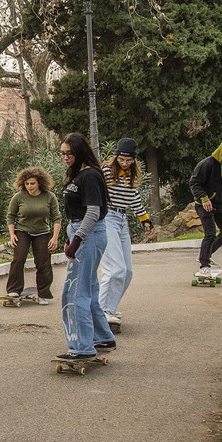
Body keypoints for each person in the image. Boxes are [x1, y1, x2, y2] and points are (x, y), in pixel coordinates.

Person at [58, 132, 116, 360]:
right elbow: (75, 210)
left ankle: (81, 347)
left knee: (75, 292)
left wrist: (77, 239)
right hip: (80, 231)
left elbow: (93, 212)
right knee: (89, 287)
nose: (65, 157)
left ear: (80, 152)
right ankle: (103, 336)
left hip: (89, 234)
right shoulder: (78, 174)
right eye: (62, 154)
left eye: (69, 153)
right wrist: (70, 236)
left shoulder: (90, 175)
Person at [99, 137, 155, 326]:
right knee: (115, 268)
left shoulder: (132, 175)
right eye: (122, 159)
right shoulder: (106, 171)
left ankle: (110, 308)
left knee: (128, 271)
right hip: (107, 218)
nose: (124, 163)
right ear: (116, 157)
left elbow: (134, 198)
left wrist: (145, 219)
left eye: (129, 160)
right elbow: (94, 189)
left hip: (122, 220)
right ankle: (101, 311)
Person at [4, 166, 62, 305]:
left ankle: (43, 293)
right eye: (27, 183)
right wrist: (12, 235)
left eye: (32, 183)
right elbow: (10, 216)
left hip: (42, 232)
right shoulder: (19, 197)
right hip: (22, 231)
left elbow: (56, 218)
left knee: (43, 262)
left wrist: (55, 237)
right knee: (18, 258)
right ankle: (14, 290)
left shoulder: (49, 196)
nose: (29, 186)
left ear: (39, 183)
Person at [188, 139, 222, 280]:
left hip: (219, 204)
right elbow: (194, 183)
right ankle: (204, 266)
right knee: (210, 233)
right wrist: (204, 198)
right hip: (204, 204)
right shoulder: (207, 164)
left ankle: (205, 255)